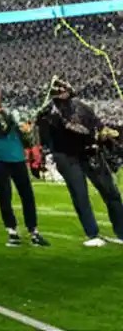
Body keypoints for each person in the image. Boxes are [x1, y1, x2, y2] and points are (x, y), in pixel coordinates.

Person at [35, 78, 123, 246]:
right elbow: (70, 128)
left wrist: (106, 133)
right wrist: (97, 135)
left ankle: (121, 232)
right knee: (80, 194)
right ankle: (92, 234)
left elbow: (99, 126)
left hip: (88, 152)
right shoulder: (49, 113)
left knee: (110, 193)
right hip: (66, 156)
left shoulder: (82, 108)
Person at [0, 85, 48, 247]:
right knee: (4, 193)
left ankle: (33, 230)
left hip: (15, 156)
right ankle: (12, 231)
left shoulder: (10, 112)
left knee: (27, 193)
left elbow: (21, 133)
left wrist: (26, 130)